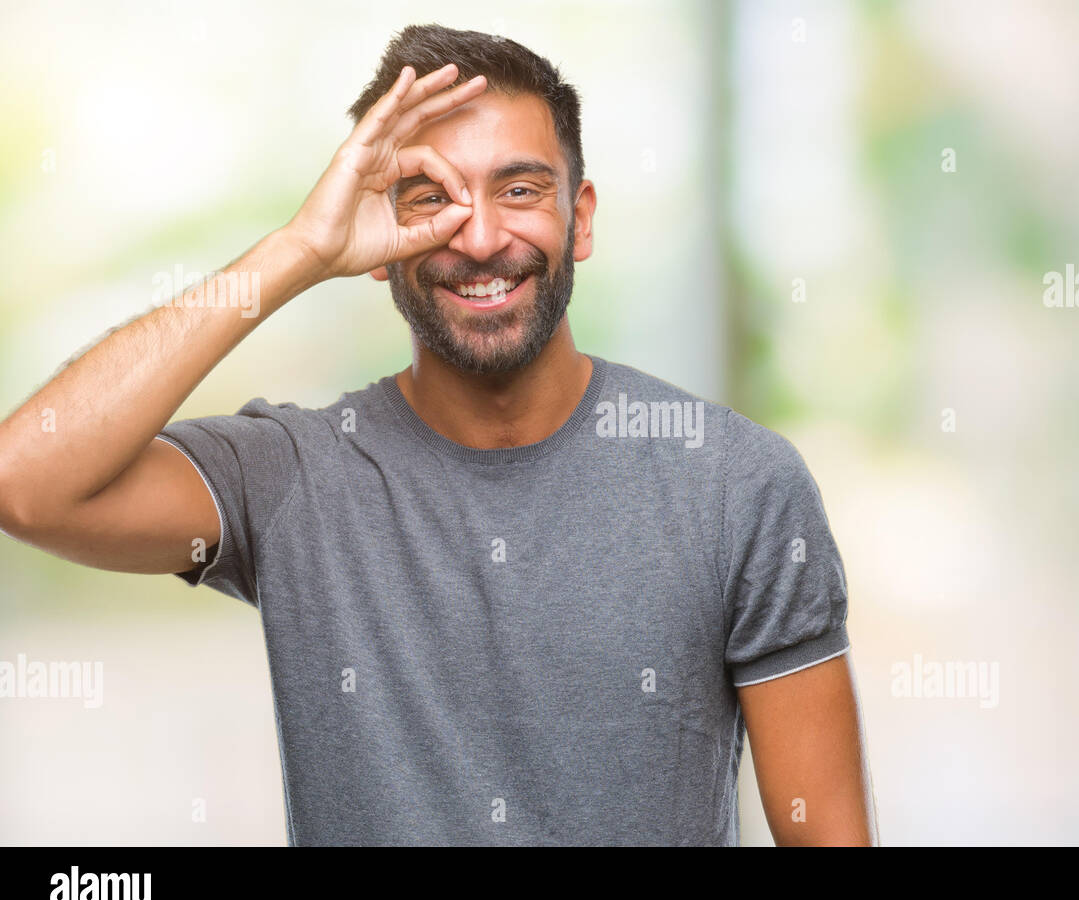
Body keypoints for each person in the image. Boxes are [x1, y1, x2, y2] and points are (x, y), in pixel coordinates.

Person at [0, 23, 877, 846]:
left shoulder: (737, 485)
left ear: (583, 218)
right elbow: (25, 481)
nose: (484, 237)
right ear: (377, 237)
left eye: (521, 190)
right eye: (432, 200)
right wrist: (300, 249)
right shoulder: (288, 476)